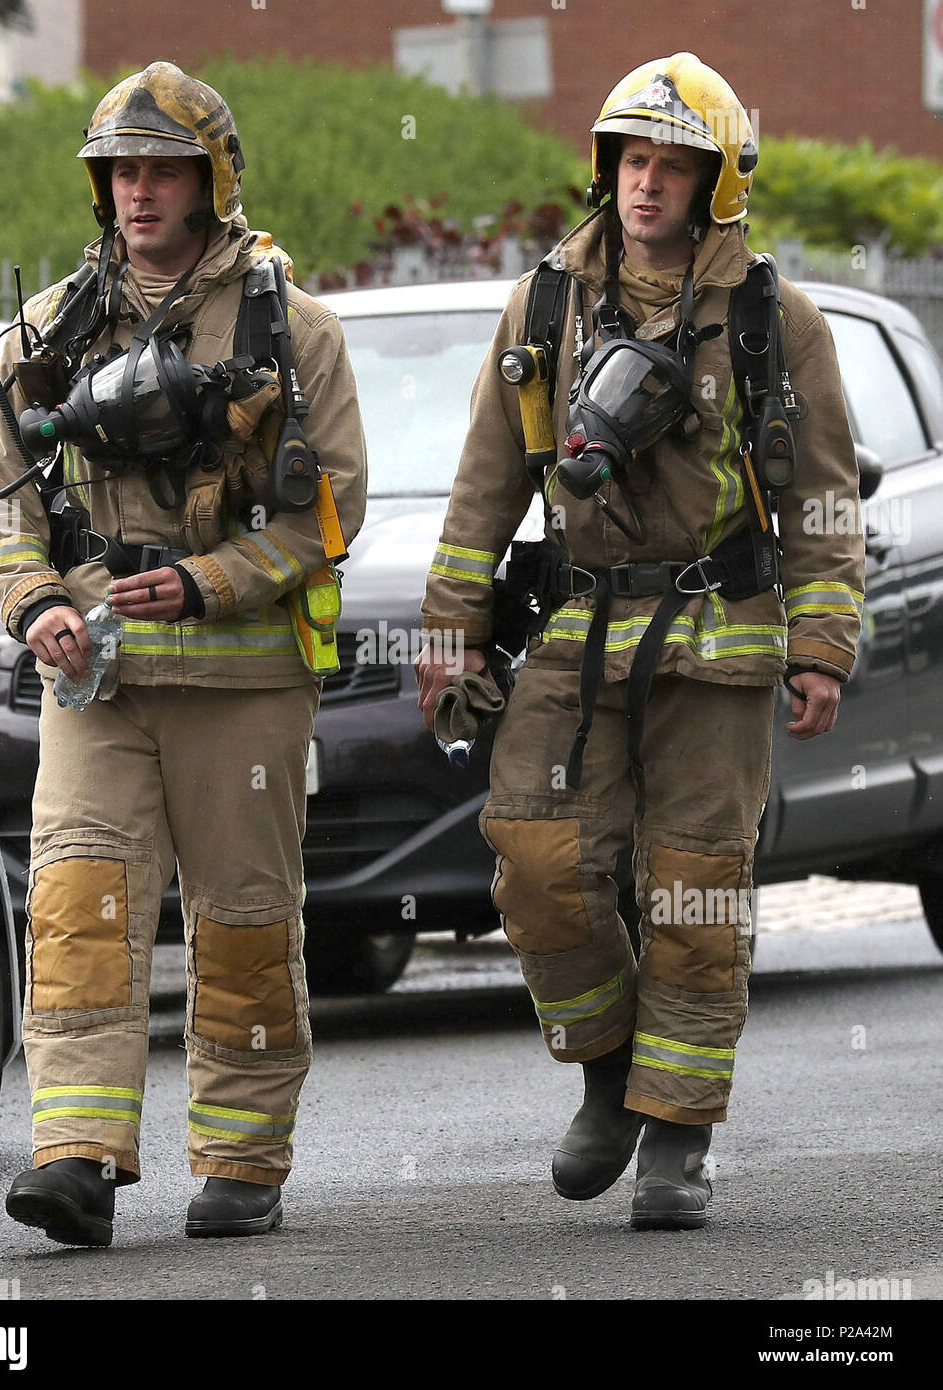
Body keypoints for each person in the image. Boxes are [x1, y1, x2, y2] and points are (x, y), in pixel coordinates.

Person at [416, 52, 863, 1229]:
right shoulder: (544, 304)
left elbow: (822, 502)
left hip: (718, 638)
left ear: (714, 183)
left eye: (670, 164)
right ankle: (609, 1075)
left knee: (696, 890)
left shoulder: (777, 319)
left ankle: (675, 1136)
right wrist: (451, 632)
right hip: (575, 631)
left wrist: (819, 644)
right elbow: (482, 489)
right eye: (629, 159)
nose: (643, 184)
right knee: (537, 861)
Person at [0, 61, 366, 1245]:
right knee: (78, 906)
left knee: (242, 920)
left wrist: (207, 580)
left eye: (162, 170)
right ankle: (77, 1157)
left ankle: (241, 1162)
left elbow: (329, 509)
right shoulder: (48, 329)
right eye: (120, 171)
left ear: (210, 180)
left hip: (244, 680)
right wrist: (33, 598)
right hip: (99, 678)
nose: (138, 192)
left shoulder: (293, 332)